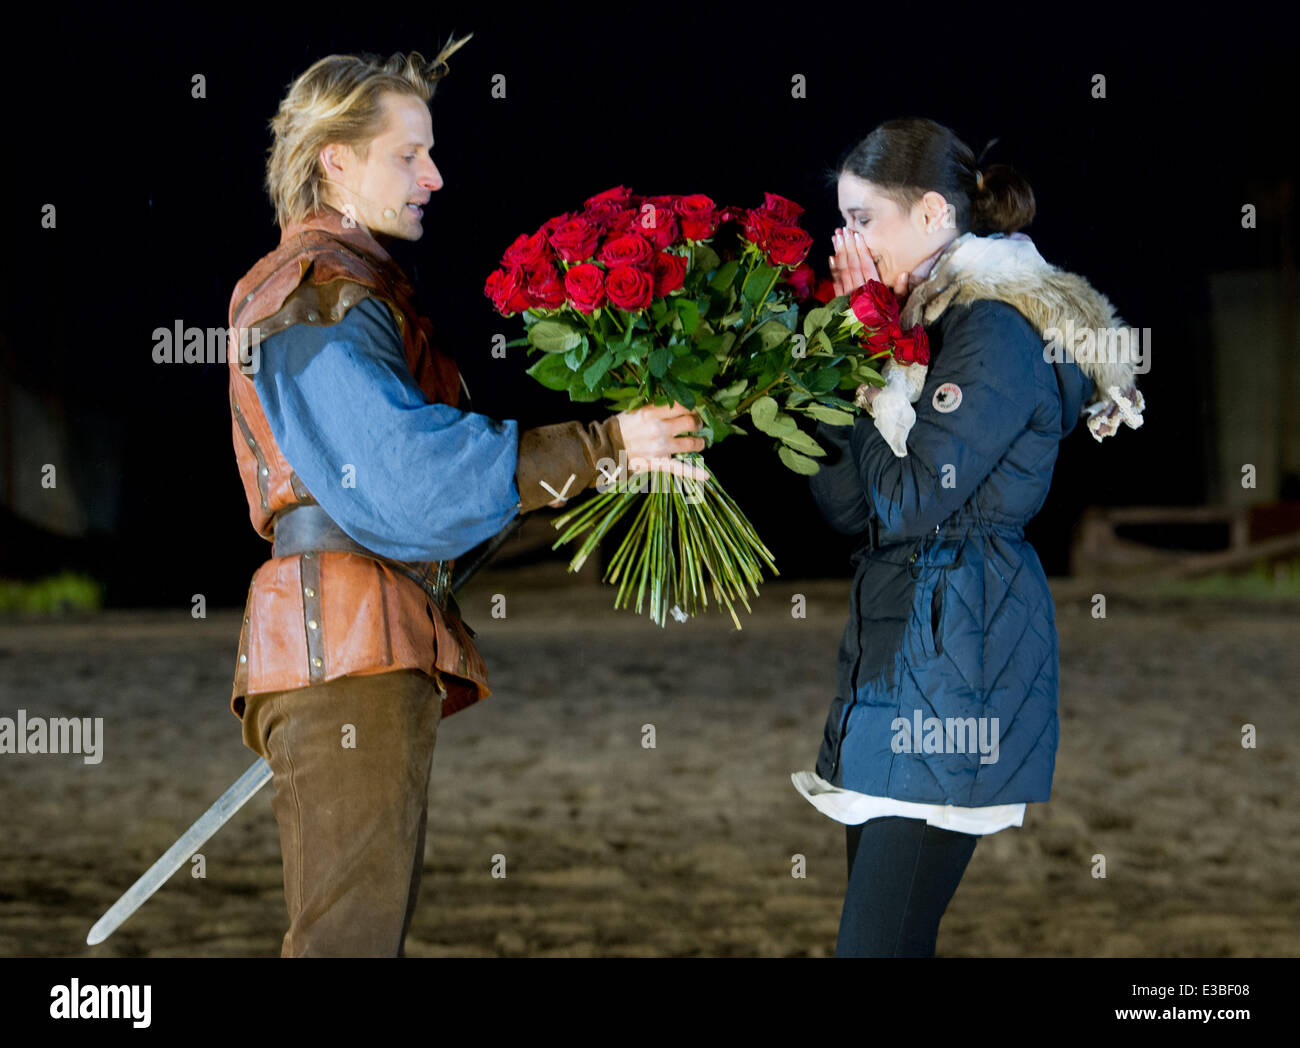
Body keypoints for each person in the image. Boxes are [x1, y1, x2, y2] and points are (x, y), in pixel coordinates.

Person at [225, 37, 707, 957]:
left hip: (353, 640)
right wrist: (604, 446)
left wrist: (597, 467)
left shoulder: (347, 285)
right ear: (337, 160)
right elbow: (404, 474)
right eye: (409, 153)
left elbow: (425, 496)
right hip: (348, 650)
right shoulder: (314, 291)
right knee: (347, 948)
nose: (435, 176)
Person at [790, 117, 1145, 957]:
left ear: (932, 215)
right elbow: (853, 507)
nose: (848, 241)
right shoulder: (925, 326)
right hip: (895, 655)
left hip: (959, 664)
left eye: (863, 218)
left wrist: (875, 354)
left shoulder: (992, 329)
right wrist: (836, 363)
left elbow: (911, 500)